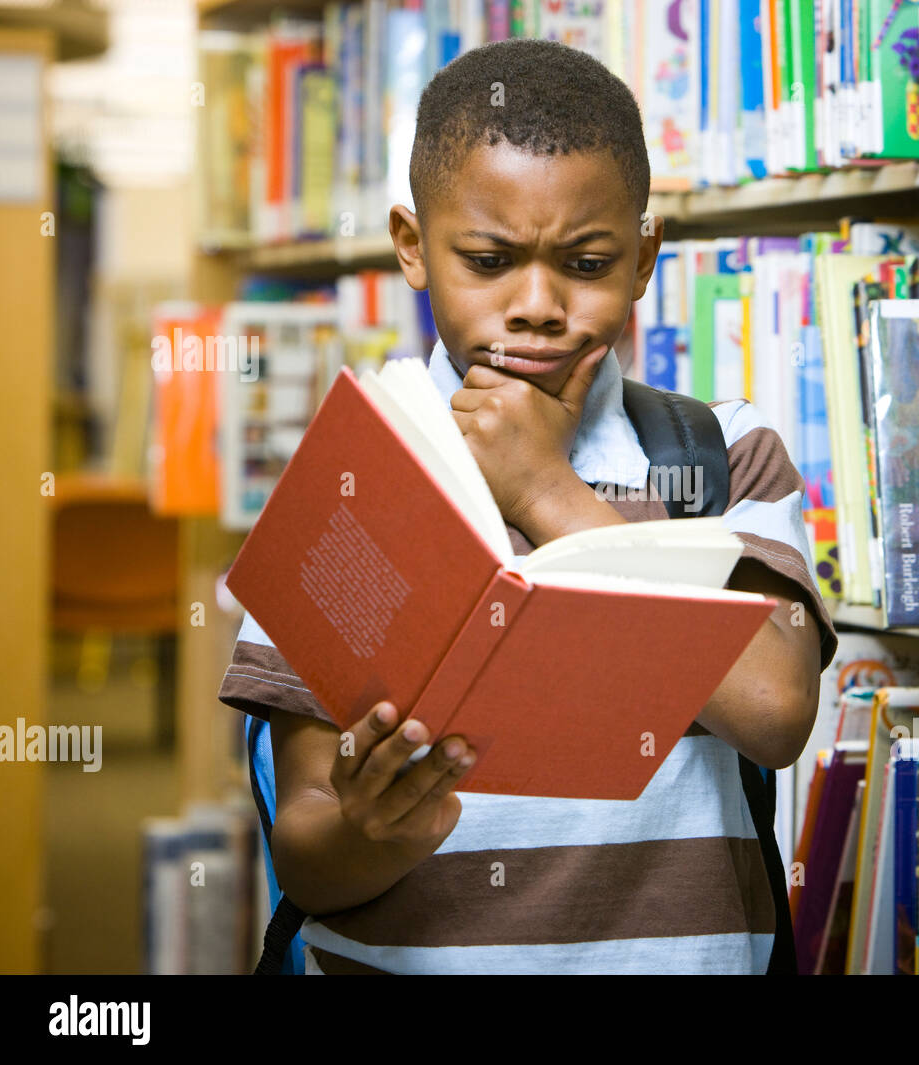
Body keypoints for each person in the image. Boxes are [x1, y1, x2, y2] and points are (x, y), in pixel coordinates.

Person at [218, 37, 836, 974]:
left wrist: (547, 490)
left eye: (586, 264)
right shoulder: (349, 484)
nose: (537, 305)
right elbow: (307, 850)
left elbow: (776, 708)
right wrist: (377, 826)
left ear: (644, 259)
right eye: (489, 259)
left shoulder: (720, 455)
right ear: (412, 248)